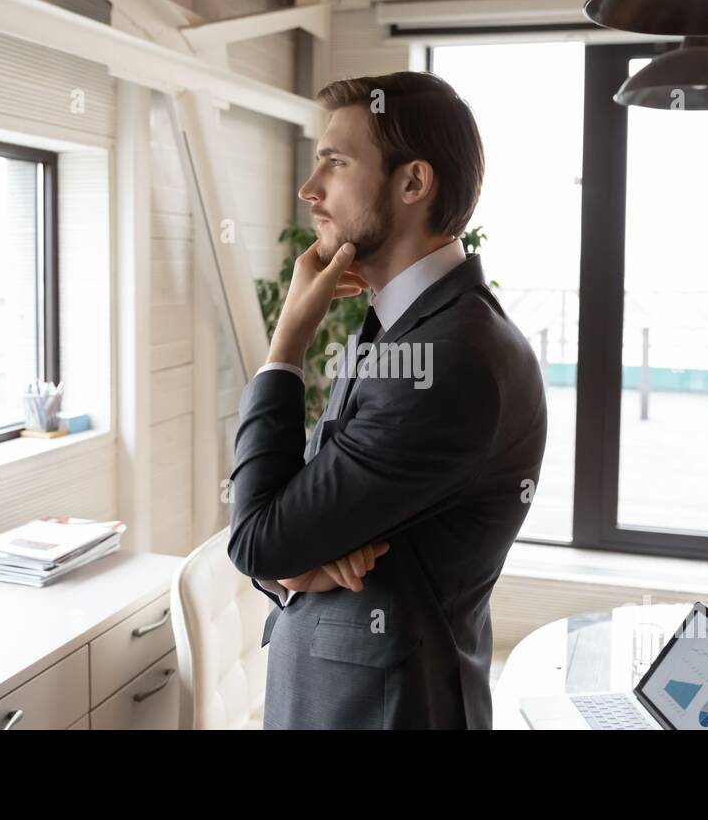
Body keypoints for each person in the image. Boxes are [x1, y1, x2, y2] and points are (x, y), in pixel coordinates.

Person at [227, 71, 547, 729]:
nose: (309, 189)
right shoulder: (411, 326)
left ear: (412, 183)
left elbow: (258, 534)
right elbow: (287, 521)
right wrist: (295, 560)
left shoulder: (448, 358)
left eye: (336, 163)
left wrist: (286, 343)